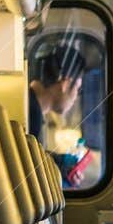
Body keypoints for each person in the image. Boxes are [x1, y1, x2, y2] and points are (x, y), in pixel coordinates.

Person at [30, 41, 102, 189]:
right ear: (65, 83)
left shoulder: (32, 107)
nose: (76, 96)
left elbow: (29, 159)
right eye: (77, 88)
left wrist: (57, 164)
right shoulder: (31, 116)